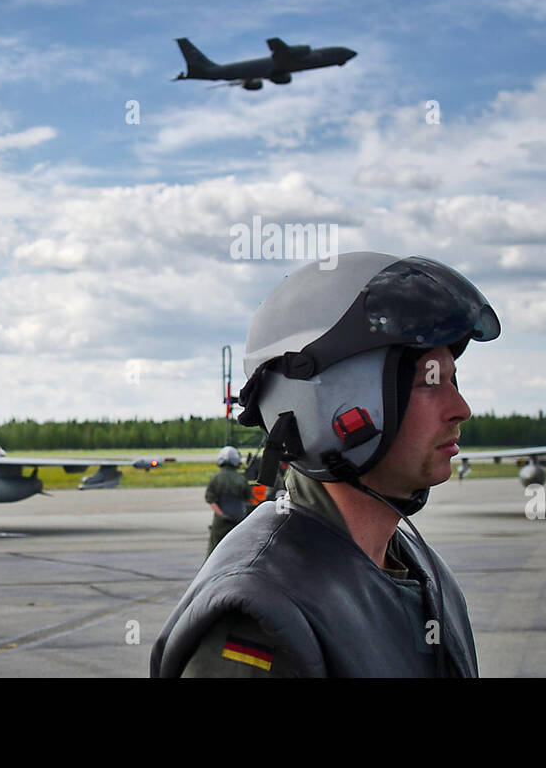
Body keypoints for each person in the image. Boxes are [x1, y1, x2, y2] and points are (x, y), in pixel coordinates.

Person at [151, 251, 500, 677]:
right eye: (428, 382)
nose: (460, 408)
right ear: (330, 402)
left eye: (453, 380)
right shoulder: (262, 616)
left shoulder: (421, 570)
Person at [204, 445, 252, 558]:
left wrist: (222, 515)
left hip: (221, 521)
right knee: (239, 550)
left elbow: (211, 500)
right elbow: (248, 497)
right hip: (239, 518)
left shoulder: (215, 478)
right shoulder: (241, 478)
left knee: (215, 551)